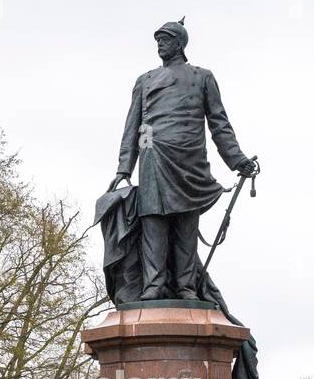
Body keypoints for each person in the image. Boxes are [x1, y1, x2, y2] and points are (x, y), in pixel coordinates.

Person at [108, 19, 257, 300]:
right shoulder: (145, 80)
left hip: (189, 159)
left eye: (165, 39)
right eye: (157, 41)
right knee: (153, 222)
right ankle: (154, 285)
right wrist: (124, 168)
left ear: (180, 43)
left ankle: (186, 285)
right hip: (153, 156)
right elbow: (133, 127)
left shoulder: (202, 77)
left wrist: (237, 160)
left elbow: (219, 124)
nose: (159, 45)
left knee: (186, 226)